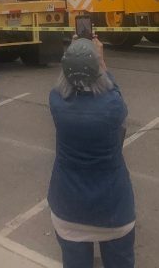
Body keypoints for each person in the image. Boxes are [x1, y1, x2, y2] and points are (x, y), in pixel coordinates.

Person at [48, 36, 136, 268]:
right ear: (99, 69)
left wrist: (80, 53)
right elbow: (114, 91)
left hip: (68, 208)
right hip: (113, 210)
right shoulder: (112, 107)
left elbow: (64, 89)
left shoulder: (56, 101)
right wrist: (101, 59)